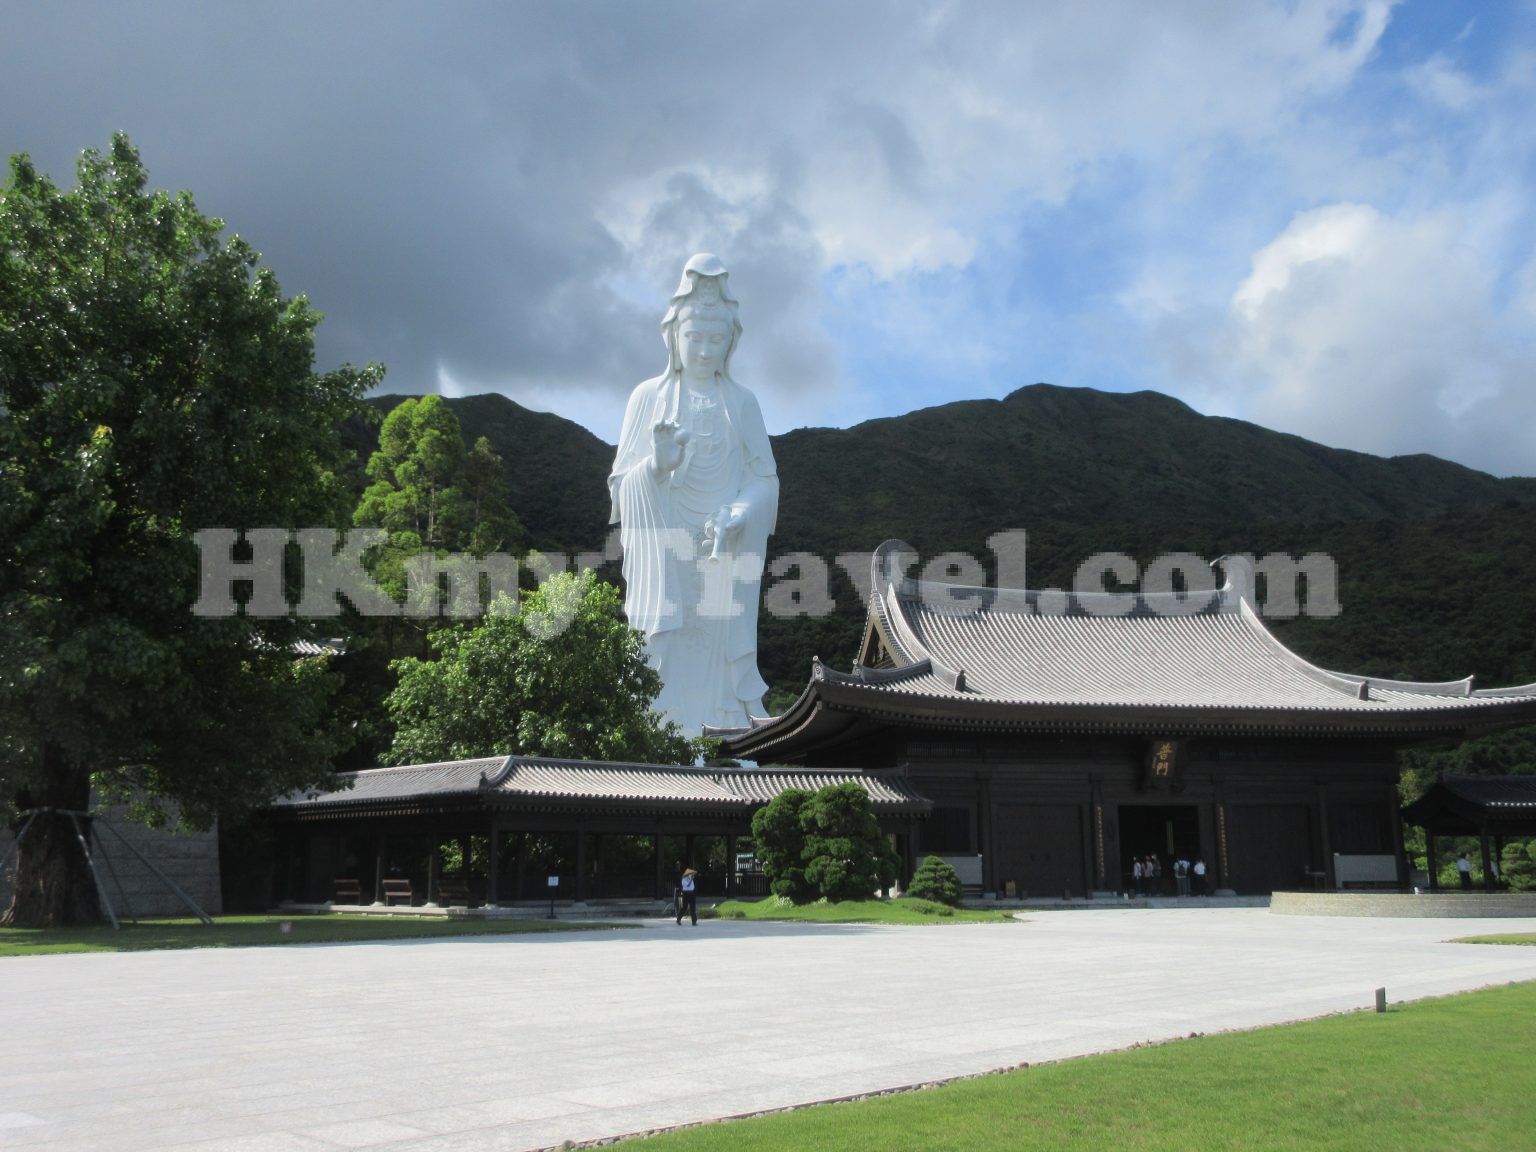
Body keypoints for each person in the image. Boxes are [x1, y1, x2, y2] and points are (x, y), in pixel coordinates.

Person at [609, 254, 779, 733]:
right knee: (664, 648)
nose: (705, 350)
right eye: (694, 337)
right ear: (674, 337)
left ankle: (726, 727)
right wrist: (656, 467)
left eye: (716, 339)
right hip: (666, 546)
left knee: (717, 652)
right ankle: (657, 730)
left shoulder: (743, 402)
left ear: (731, 341)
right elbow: (623, 483)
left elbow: (765, 478)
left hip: (722, 547)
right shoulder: (648, 397)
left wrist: (739, 513)